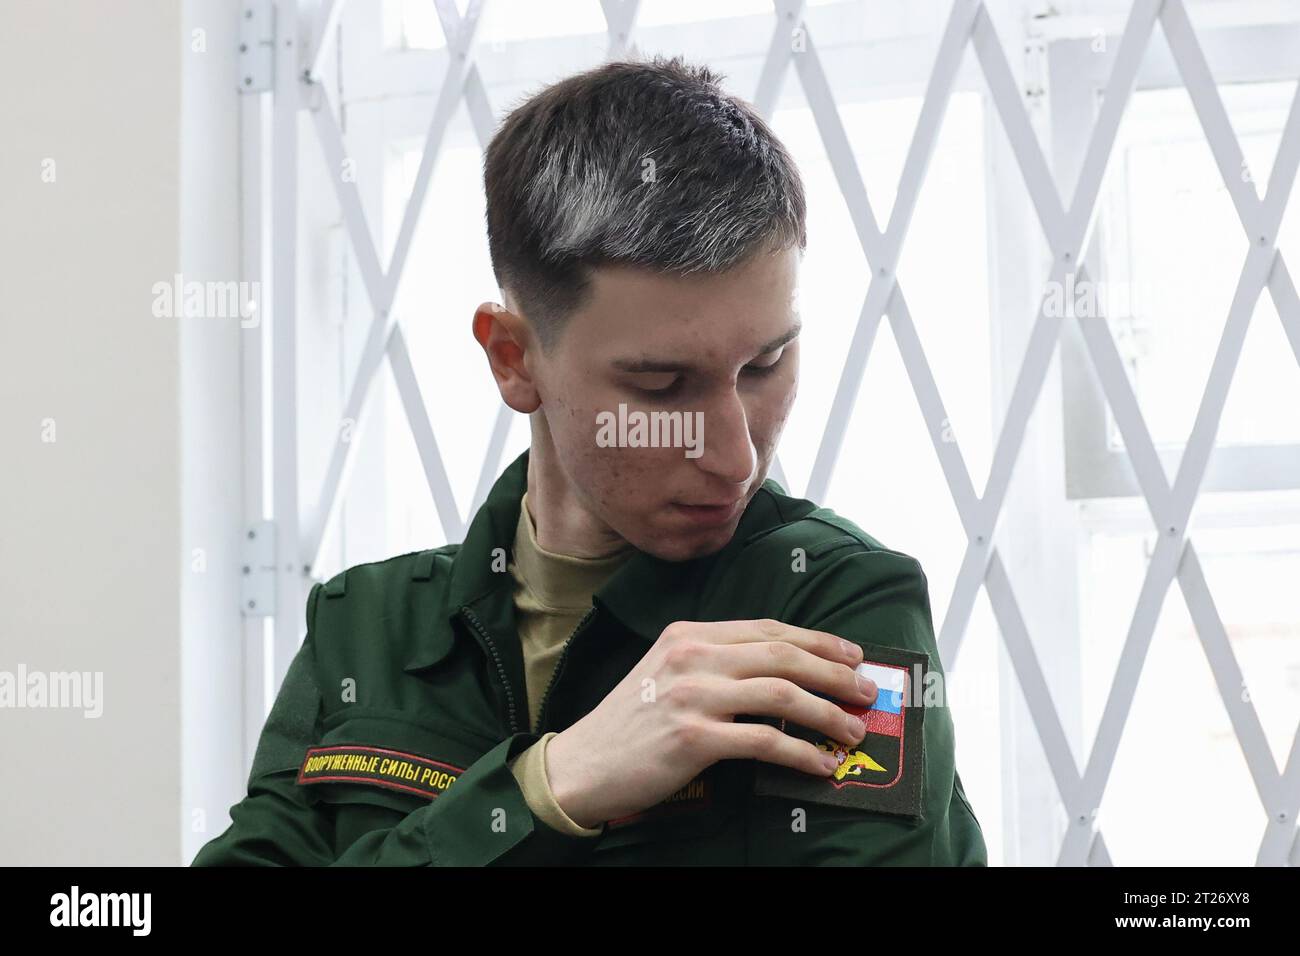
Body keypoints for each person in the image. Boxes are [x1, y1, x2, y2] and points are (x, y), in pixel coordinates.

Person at [192, 54, 987, 866]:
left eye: (765, 366)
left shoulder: (832, 610)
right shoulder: (364, 626)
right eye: (661, 385)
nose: (734, 457)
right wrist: (548, 787)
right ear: (513, 359)